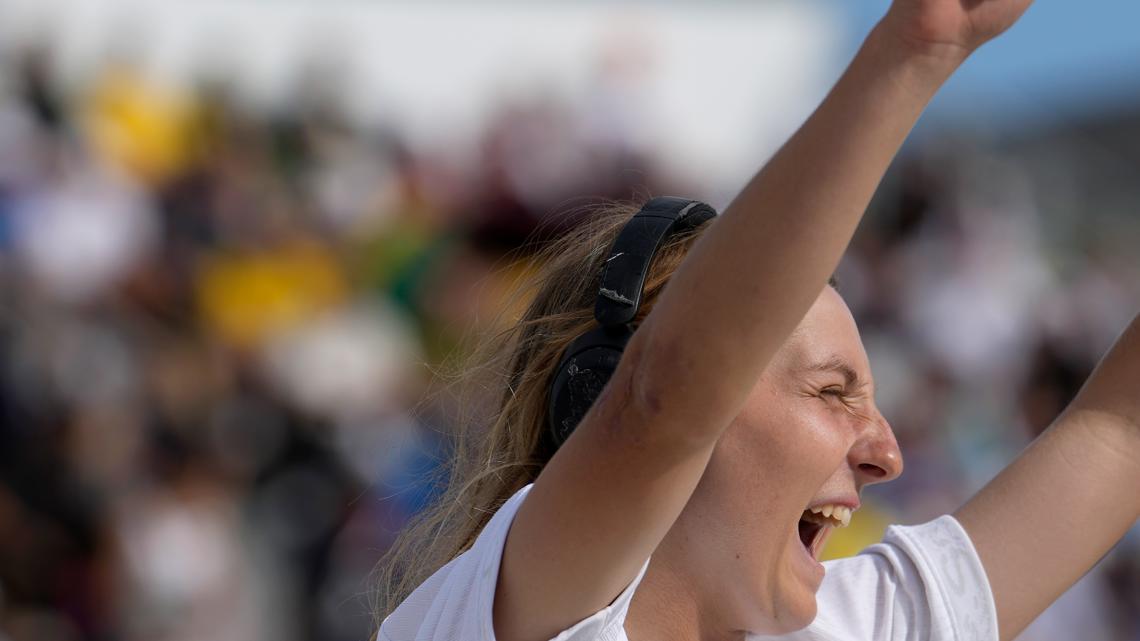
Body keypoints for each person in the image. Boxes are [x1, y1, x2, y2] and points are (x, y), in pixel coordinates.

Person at [373, 0, 1140, 639]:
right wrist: (914, 52)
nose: (887, 453)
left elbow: (1118, 432)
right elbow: (662, 397)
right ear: (594, 398)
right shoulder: (499, 613)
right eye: (832, 392)